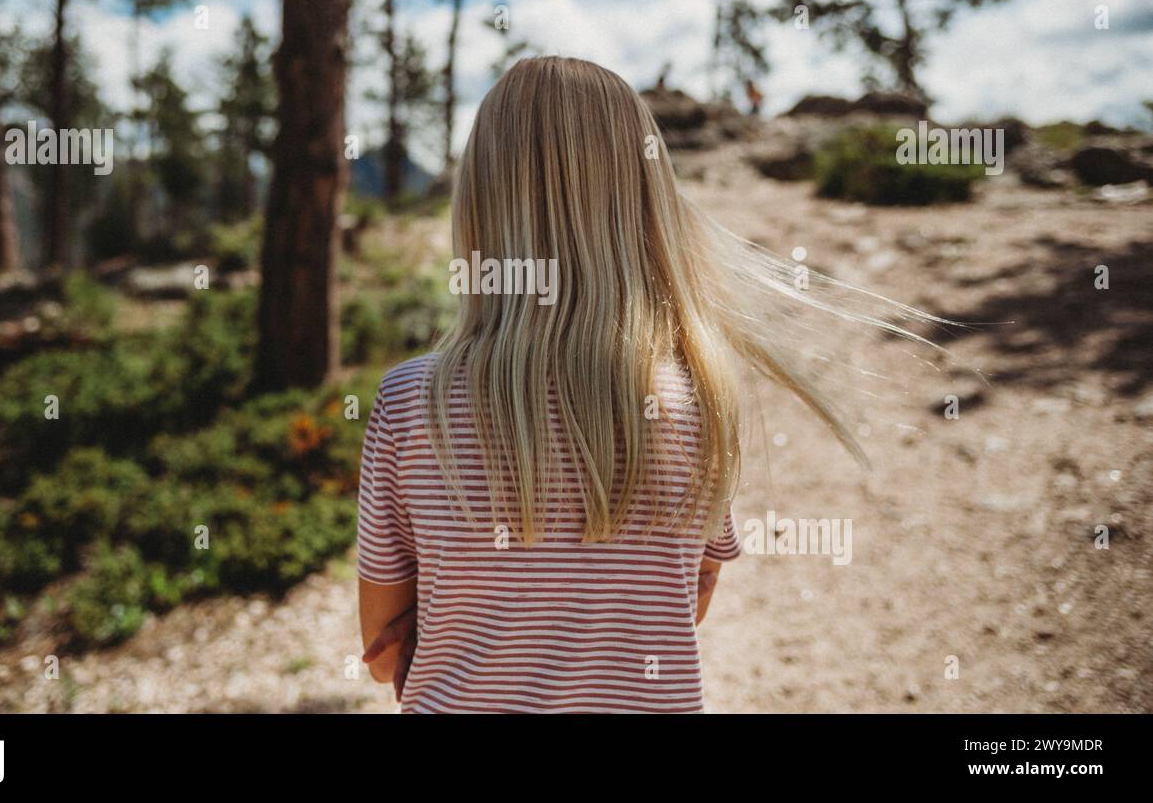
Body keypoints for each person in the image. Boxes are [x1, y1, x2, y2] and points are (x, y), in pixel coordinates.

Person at [356, 56, 930, 713]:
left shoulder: (411, 402)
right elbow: (687, 600)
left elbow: (381, 651)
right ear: (644, 199)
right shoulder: (701, 391)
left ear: (481, 203)